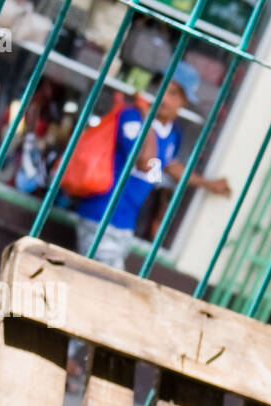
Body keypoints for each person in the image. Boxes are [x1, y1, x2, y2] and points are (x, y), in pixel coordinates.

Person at [68, 61, 231, 383]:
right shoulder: (133, 118)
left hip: (123, 225)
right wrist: (145, 114)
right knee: (101, 288)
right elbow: (146, 158)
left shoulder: (171, 133)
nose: (166, 99)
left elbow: (169, 166)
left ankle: (67, 351)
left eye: (175, 94)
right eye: (164, 89)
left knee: (94, 286)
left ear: (185, 103)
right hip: (101, 216)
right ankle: (66, 353)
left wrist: (209, 185)